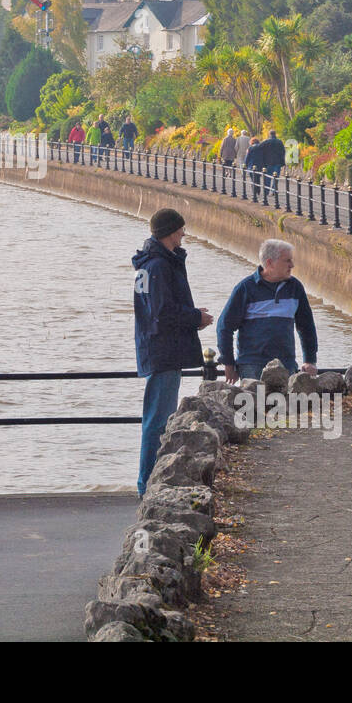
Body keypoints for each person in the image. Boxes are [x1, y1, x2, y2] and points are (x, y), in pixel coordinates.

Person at [132, 208, 214, 497]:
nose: (183, 234)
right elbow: (162, 313)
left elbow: (155, 310)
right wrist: (195, 318)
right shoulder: (158, 266)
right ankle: (147, 485)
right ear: (169, 232)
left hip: (155, 348)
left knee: (156, 418)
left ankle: (148, 481)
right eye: (180, 229)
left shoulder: (150, 264)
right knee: (158, 420)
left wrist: (192, 316)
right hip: (162, 351)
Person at [217, 238, 319, 383]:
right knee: (255, 405)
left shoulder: (295, 288)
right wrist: (228, 363)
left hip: (286, 363)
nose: (292, 265)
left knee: (285, 406)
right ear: (270, 263)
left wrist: (310, 360)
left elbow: (306, 326)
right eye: (287, 260)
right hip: (252, 365)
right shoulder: (246, 288)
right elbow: (224, 327)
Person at [259, 130, 287, 201]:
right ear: (275, 134)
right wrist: (282, 161)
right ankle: (273, 190)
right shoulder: (279, 142)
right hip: (277, 162)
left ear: (269, 134)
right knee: (276, 177)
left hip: (268, 162)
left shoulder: (266, 142)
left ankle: (267, 191)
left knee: (268, 177)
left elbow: (259, 149)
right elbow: (283, 152)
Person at [242, 136, 265, 200]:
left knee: (253, 180)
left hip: (251, 166)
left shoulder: (250, 148)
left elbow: (247, 158)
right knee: (258, 178)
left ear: (251, 142)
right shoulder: (261, 148)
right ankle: (258, 190)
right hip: (260, 166)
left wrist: (245, 165)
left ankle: (254, 193)